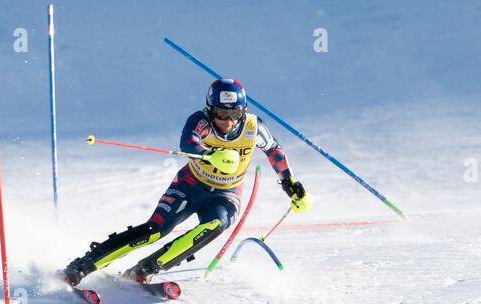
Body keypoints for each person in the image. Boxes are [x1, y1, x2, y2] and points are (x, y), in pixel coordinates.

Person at [62, 78, 310, 287]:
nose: (227, 121)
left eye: (234, 114)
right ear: (210, 110)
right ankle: (83, 266)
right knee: (155, 230)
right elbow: (188, 142)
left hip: (225, 195)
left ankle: (146, 269)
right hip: (190, 185)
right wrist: (209, 153)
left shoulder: (254, 127)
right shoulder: (200, 120)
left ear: (242, 111)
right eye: (221, 114)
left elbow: (274, 151)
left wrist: (289, 183)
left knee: (216, 224)